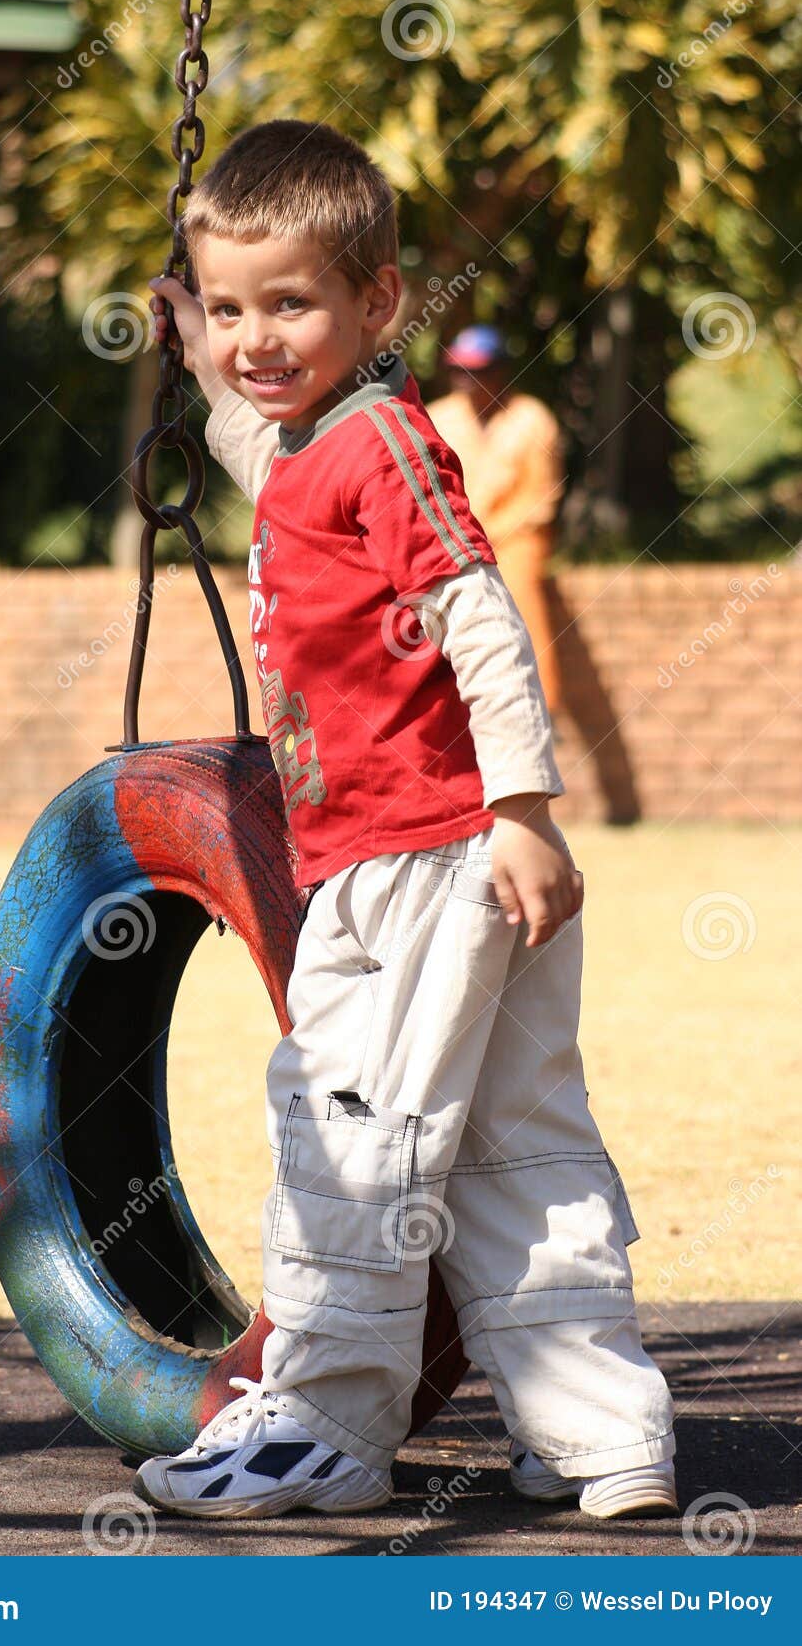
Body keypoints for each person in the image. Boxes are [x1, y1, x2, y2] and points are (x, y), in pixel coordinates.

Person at [138, 118, 675, 1522]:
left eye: (290, 305)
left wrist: (522, 811)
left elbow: (481, 624)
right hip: (443, 859)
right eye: (233, 308)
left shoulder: (380, 445)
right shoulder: (320, 450)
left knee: (344, 1126)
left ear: (376, 304)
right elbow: (257, 444)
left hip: (422, 857)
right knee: (514, 1143)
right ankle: (599, 1430)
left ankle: (321, 1421)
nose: (257, 338)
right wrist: (197, 346)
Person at [427, 327, 565, 726]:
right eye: (459, 372)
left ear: (500, 371)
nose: (466, 382)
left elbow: (541, 498)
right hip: (456, 535)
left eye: (478, 372)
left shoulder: (532, 418)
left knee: (521, 593)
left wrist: (491, 533)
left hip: (516, 535)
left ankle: (542, 705)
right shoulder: (439, 417)